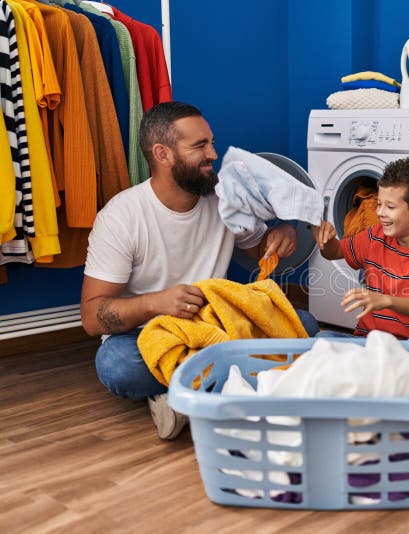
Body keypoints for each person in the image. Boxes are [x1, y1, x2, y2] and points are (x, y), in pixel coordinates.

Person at [81, 101, 319, 439]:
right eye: (200, 146)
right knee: (117, 366)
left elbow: (259, 251)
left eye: (212, 143)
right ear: (163, 154)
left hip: (217, 323)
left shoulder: (224, 198)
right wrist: (157, 302)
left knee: (305, 324)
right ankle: (252, 383)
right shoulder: (121, 217)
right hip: (150, 333)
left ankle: (185, 397)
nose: (213, 154)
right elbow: (92, 317)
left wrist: (283, 233)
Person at [312, 157, 409, 339]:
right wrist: (327, 241)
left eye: (390, 206)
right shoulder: (376, 235)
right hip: (368, 340)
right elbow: (335, 252)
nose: (380, 212)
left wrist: (386, 300)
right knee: (322, 339)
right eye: (379, 204)